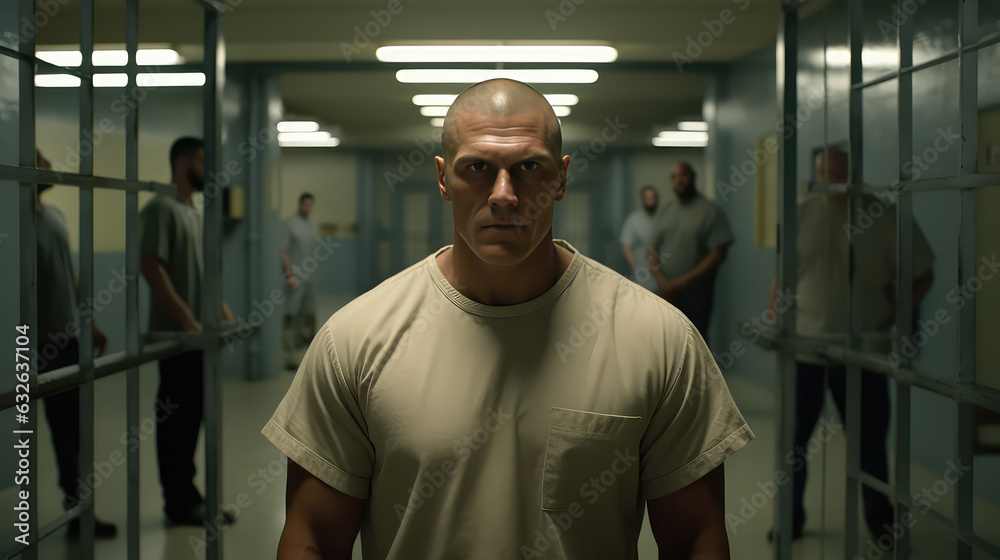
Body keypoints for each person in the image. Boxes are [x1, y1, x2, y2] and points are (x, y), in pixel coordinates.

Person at [263, 79, 753, 559]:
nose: (503, 193)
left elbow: (695, 540)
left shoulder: (660, 340)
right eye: (476, 167)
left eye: (528, 167)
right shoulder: (353, 341)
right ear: (441, 178)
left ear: (561, 178)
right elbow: (312, 539)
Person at [767, 148, 934, 542]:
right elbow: (782, 279)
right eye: (825, 170)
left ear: (853, 172)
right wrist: (777, 319)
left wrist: (892, 317)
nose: (833, 177)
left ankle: (880, 523)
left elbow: (922, 274)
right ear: (816, 173)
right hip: (805, 353)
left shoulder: (884, 216)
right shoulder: (798, 214)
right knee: (792, 445)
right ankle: (789, 520)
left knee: (870, 445)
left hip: (863, 356)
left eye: (840, 170)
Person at [139, 136, 236, 526]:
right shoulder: (160, 209)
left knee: (194, 418)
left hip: (200, 338)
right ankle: (177, 503)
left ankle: (190, 495)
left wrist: (223, 313)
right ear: (182, 162)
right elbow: (151, 266)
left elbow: (207, 273)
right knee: (176, 422)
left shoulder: (196, 211)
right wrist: (186, 321)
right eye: (201, 159)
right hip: (177, 339)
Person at [33, 149, 117, 538]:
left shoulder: (55, 216)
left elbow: (72, 275)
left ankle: (78, 512)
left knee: (72, 433)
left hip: (66, 341)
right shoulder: (12, 224)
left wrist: (90, 322)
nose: (49, 165)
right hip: (29, 345)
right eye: (39, 158)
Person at [647, 162, 733, 343]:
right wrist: (663, 282)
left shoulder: (710, 211)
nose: (678, 181)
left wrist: (681, 283)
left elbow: (717, 254)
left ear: (692, 177)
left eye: (683, 175)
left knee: (695, 343)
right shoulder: (666, 210)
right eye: (674, 177)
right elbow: (651, 249)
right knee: (666, 342)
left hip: (697, 293)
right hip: (667, 291)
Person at [281, 192, 319, 369]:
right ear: (300, 204)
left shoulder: (311, 226)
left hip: (310, 279)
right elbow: (284, 251)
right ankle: (290, 356)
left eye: (311, 205)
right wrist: (289, 275)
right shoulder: (290, 225)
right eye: (306, 205)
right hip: (295, 280)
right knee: (291, 317)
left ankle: (307, 355)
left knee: (308, 317)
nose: (308, 208)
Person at [619, 185, 663, 292]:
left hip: (662, 271)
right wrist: (634, 266)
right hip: (642, 270)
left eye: (652, 197)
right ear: (643, 200)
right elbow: (626, 244)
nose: (650, 201)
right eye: (647, 198)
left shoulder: (663, 217)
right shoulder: (633, 219)